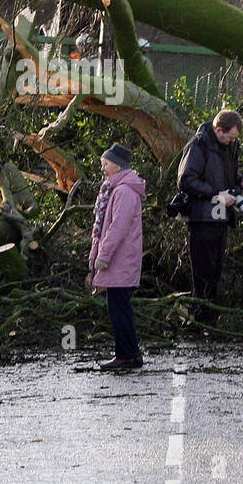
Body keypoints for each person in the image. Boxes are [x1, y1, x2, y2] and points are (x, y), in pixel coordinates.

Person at [177, 109, 243, 324]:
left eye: (234, 139)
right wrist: (216, 195)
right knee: (202, 273)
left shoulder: (228, 146)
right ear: (219, 130)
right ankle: (197, 320)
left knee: (215, 271)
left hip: (221, 216)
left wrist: (240, 180)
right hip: (202, 217)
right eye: (229, 137)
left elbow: (223, 173)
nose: (232, 142)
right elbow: (185, 180)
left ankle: (209, 319)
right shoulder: (199, 145)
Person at [87, 143, 146, 371]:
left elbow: (116, 228)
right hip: (117, 260)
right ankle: (129, 354)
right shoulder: (114, 190)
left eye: (106, 164)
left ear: (118, 166)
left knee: (120, 309)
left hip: (120, 260)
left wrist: (103, 257)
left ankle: (128, 355)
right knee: (119, 308)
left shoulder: (123, 191)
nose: (103, 168)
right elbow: (102, 229)